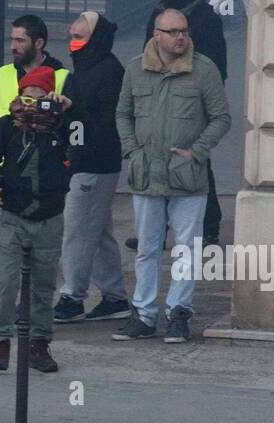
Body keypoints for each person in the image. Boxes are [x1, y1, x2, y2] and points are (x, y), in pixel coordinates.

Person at [113, 8, 230, 344]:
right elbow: (123, 113)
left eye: (184, 31)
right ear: (156, 35)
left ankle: (178, 313)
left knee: (186, 250)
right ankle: (144, 315)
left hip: (187, 178)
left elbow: (221, 118)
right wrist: (132, 151)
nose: (181, 37)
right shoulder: (136, 69)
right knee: (148, 248)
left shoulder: (203, 69)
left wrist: (197, 151)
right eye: (173, 31)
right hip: (146, 174)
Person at [0, 14, 70, 338]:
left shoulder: (61, 76)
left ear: (39, 43)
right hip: (8, 180)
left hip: (43, 187)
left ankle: (34, 331)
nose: (14, 46)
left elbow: (74, 131)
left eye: (20, 40)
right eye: (13, 40)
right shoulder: (4, 74)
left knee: (40, 268)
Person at [0, 66, 73, 373]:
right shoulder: (6, 127)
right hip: (13, 216)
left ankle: (39, 345)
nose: (31, 104)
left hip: (49, 216)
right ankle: (0, 342)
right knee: (4, 282)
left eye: (40, 98)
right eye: (26, 96)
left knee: (43, 286)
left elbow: (86, 146)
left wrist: (68, 112)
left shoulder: (63, 127)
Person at [127, 0, 229, 249]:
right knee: (155, 165)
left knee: (194, 162)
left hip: (190, 100)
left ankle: (208, 228)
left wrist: (200, 98)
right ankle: (154, 233)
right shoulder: (157, 14)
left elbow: (217, 67)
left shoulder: (206, 17)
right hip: (158, 97)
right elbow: (146, 58)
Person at [53, 12, 129, 324]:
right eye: (71, 36)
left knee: (78, 228)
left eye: (79, 37)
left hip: (96, 161)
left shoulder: (108, 71)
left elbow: (108, 123)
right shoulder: (85, 69)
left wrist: (74, 110)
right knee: (97, 231)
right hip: (84, 161)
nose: (73, 43)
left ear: (94, 39)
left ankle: (73, 295)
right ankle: (114, 296)